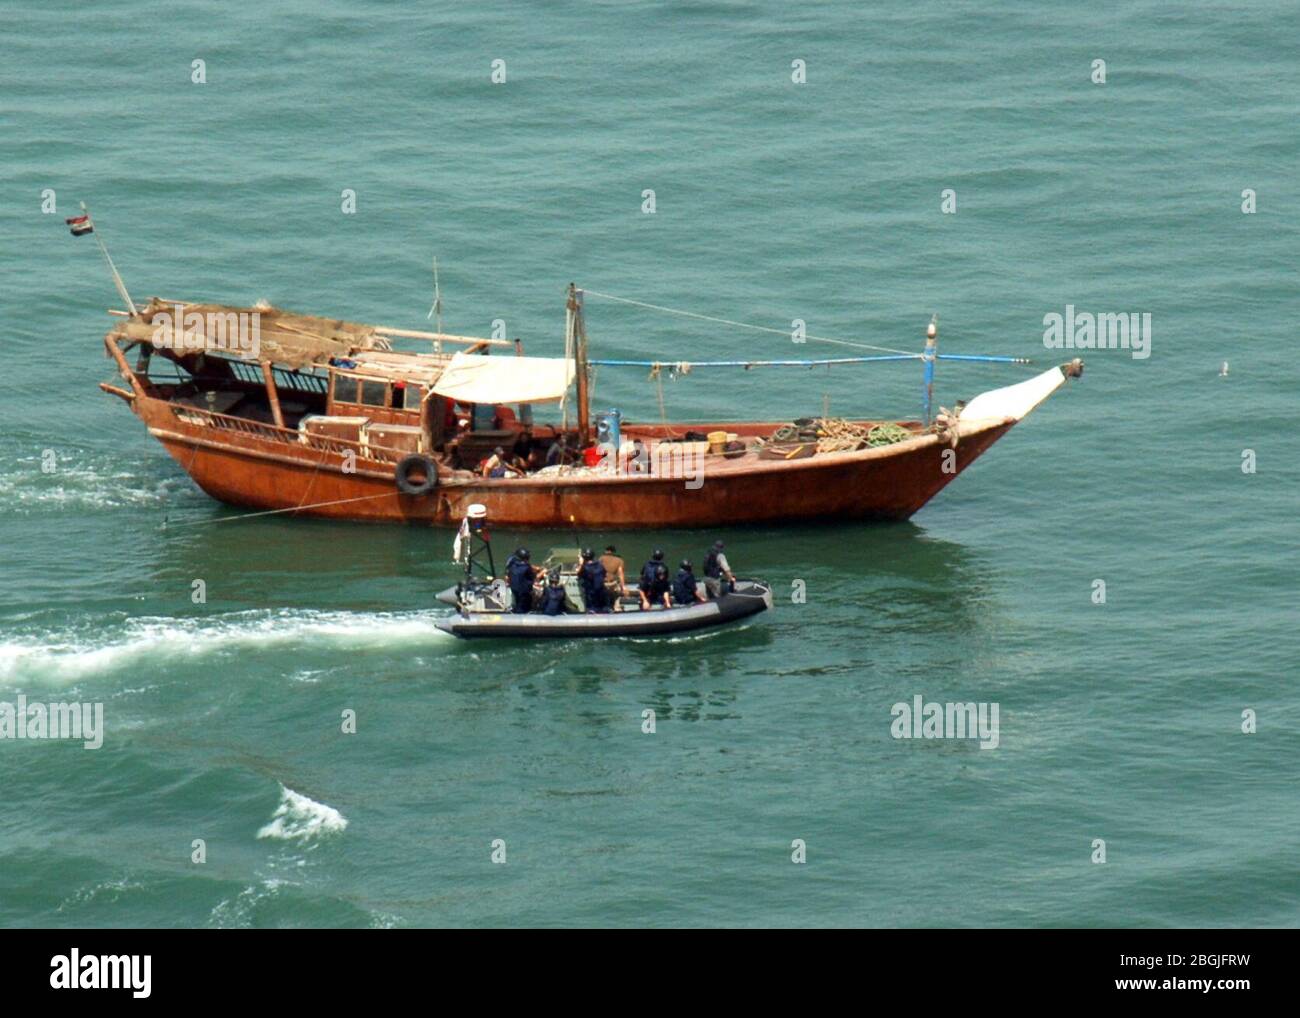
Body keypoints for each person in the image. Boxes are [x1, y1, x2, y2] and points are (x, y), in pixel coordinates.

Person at [504, 547, 545, 613]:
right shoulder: (526, 568)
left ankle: (517, 608)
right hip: (523, 591)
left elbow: (525, 565)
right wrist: (543, 572)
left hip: (513, 587)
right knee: (525, 604)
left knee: (518, 601)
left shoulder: (512, 562)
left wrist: (536, 568)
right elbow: (535, 578)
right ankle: (522, 614)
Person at [578, 548, 608, 613]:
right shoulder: (600, 565)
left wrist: (581, 563)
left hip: (591, 595)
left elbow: (578, 573)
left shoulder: (585, 568)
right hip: (602, 593)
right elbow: (604, 573)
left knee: (591, 609)